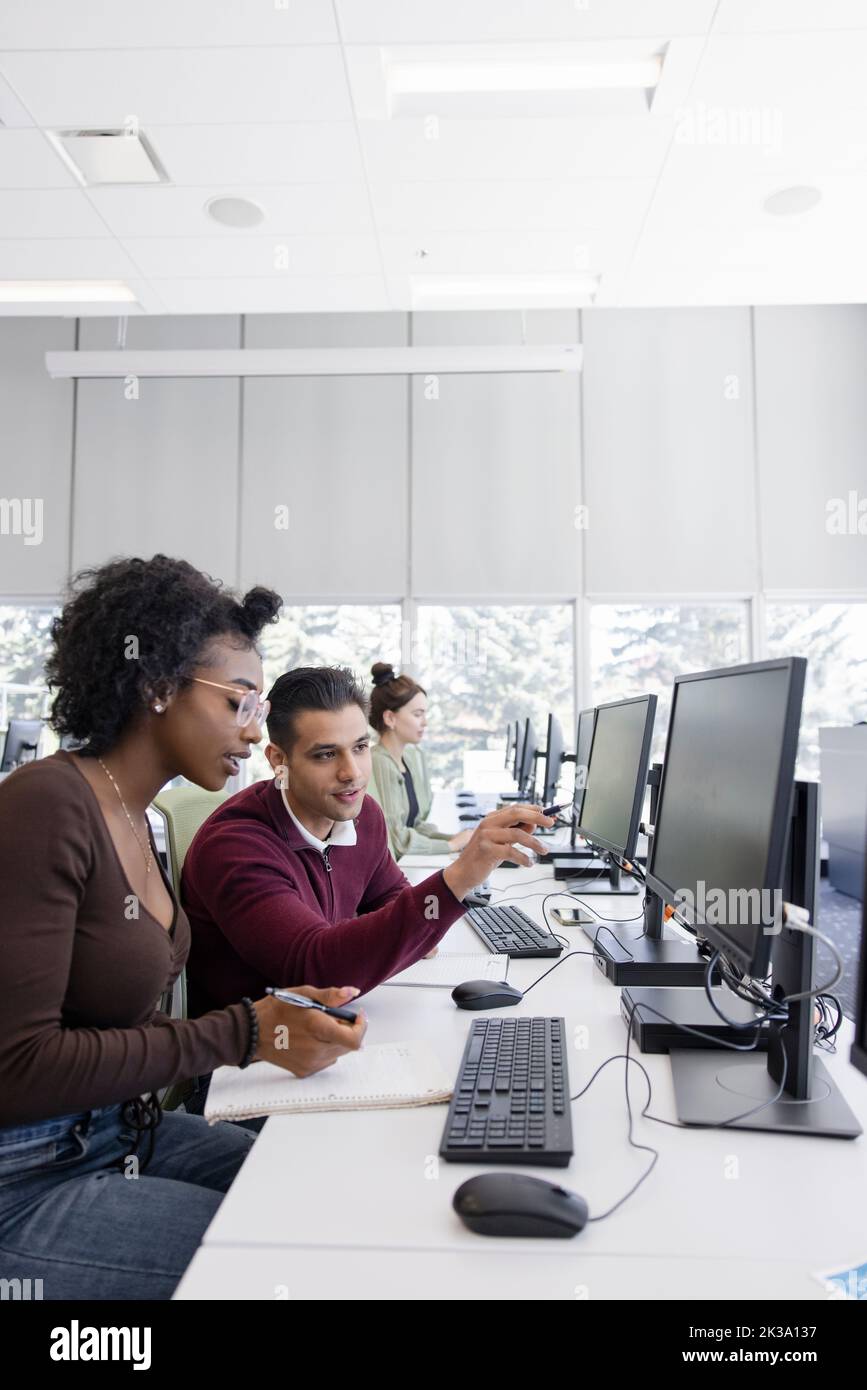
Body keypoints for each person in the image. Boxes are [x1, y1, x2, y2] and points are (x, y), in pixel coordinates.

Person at [0, 556, 366, 1301]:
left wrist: (276, 1014)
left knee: (343, 1206)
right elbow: (18, 1068)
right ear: (157, 686)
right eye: (238, 701)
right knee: (309, 1269)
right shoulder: (47, 805)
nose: (254, 728)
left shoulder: (142, 817)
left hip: (117, 1135)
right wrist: (244, 1033)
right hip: (26, 1180)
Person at [183, 665, 552, 1014]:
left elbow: (391, 897)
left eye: (360, 747)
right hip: (248, 1064)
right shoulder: (235, 845)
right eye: (326, 754)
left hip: (328, 1030)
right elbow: (314, 972)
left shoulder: (364, 816)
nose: (353, 773)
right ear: (279, 759)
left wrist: (407, 928)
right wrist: (459, 878)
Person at [367, 662, 472, 861]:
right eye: (418, 714)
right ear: (390, 718)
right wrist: (451, 845)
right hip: (397, 870)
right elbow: (398, 839)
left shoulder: (406, 758)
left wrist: (454, 839)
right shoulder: (380, 762)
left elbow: (414, 824)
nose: (425, 722)